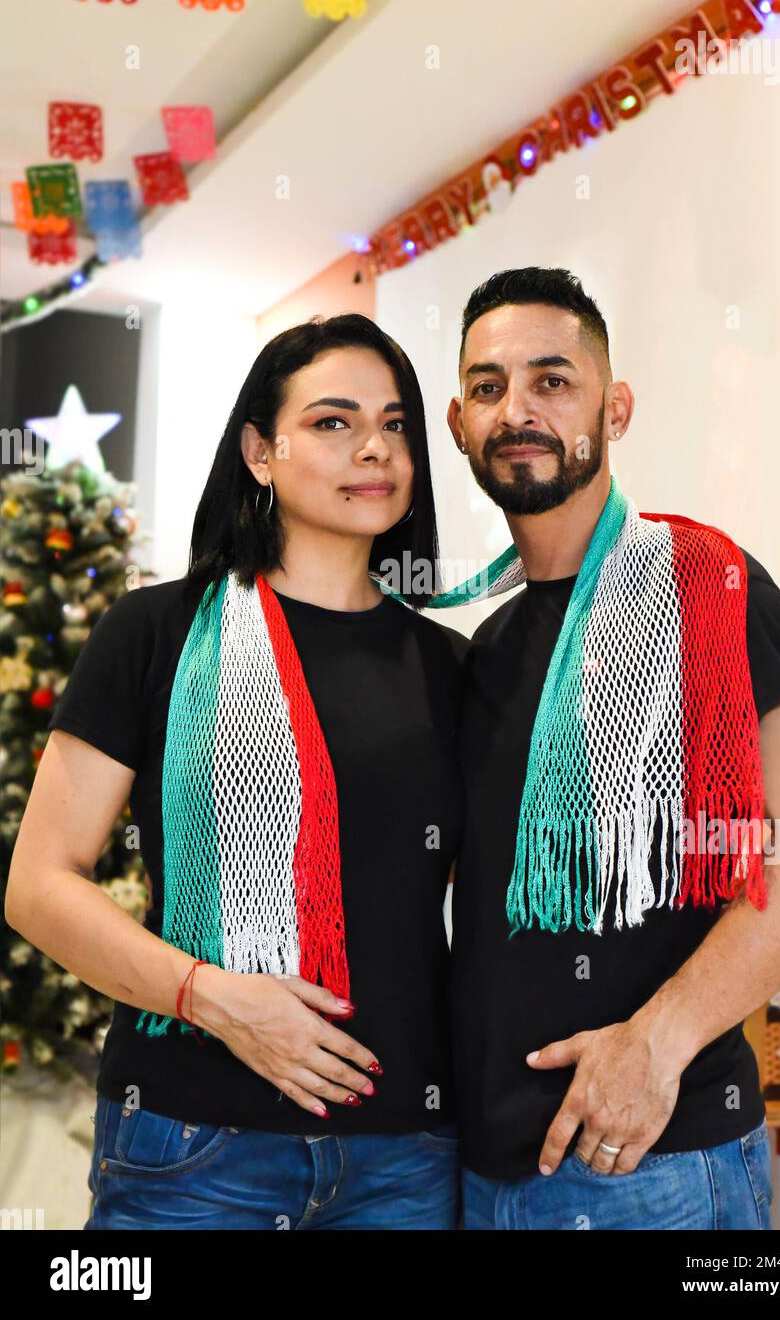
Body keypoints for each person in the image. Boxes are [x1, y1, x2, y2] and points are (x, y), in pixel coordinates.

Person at [5, 314, 469, 1230]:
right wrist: (212, 997)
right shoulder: (155, 633)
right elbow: (37, 884)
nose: (373, 447)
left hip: (402, 1156)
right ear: (261, 450)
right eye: (333, 422)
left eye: (396, 423)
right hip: (188, 1142)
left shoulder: (451, 667)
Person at [431, 266, 780, 1231]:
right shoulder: (484, 649)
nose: (519, 410)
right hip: (490, 1169)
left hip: (652, 1162)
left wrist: (655, 1044)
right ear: (459, 423)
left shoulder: (702, 583)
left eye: (553, 380)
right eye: (489, 386)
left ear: (612, 408)